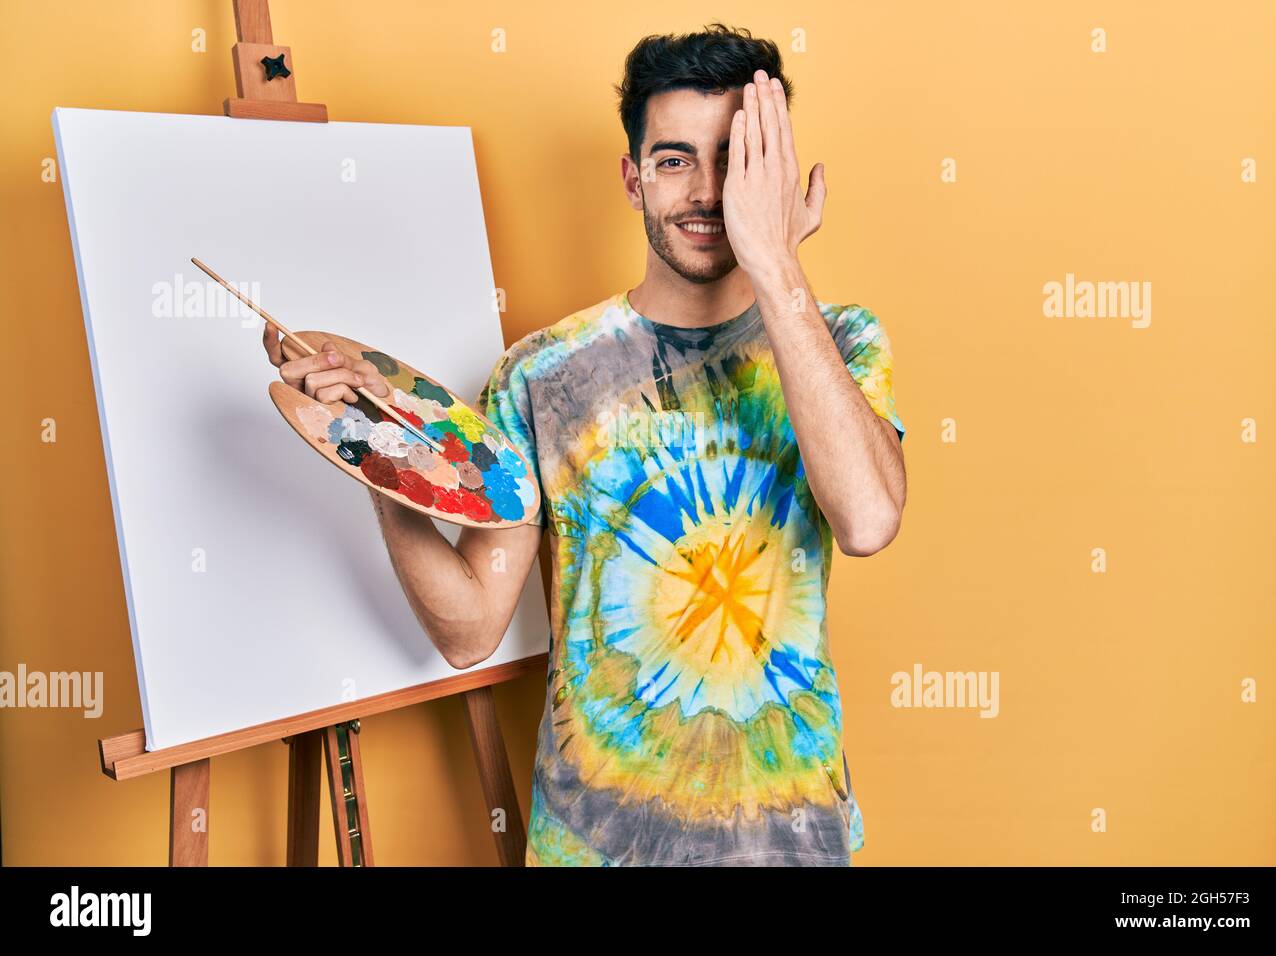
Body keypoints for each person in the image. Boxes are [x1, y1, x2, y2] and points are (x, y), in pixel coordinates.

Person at [264, 23, 907, 866]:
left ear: (774, 177)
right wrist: (379, 458)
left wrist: (777, 262)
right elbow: (467, 631)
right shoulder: (542, 377)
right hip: (594, 848)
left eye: (735, 162)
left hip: (792, 842)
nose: (707, 192)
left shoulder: (843, 343)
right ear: (633, 177)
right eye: (676, 160)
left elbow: (865, 520)